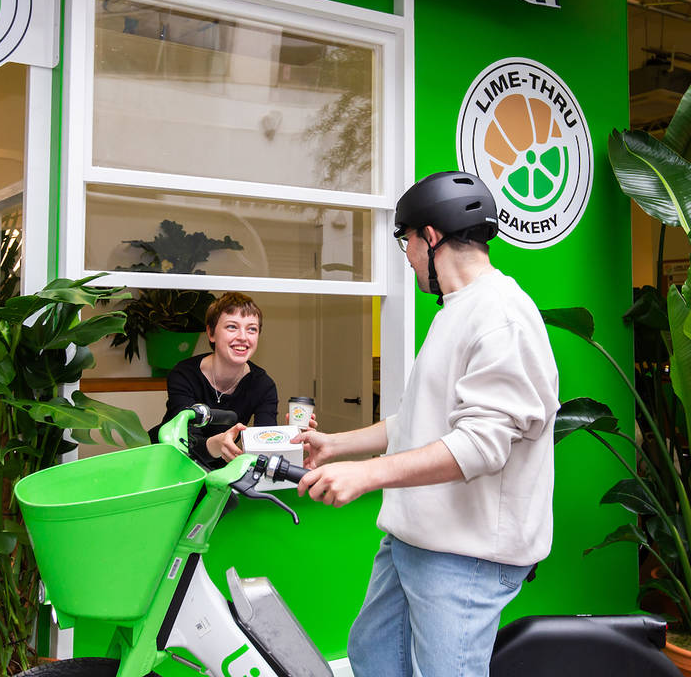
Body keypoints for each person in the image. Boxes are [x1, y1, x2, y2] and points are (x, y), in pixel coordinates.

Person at [294, 171, 560, 677]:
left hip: (464, 556)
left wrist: (368, 474)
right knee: (372, 654)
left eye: (407, 243)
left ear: (430, 237)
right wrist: (336, 446)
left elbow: (480, 446)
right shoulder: (454, 311)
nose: (410, 257)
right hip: (412, 538)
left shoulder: (502, 318)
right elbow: (418, 419)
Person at [159, 292, 278, 469]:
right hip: (168, 463)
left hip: (218, 469)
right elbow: (184, 441)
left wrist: (293, 437)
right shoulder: (184, 374)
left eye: (251, 329)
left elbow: (265, 446)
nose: (243, 337)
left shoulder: (263, 385)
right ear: (211, 333)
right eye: (232, 327)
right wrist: (216, 445)